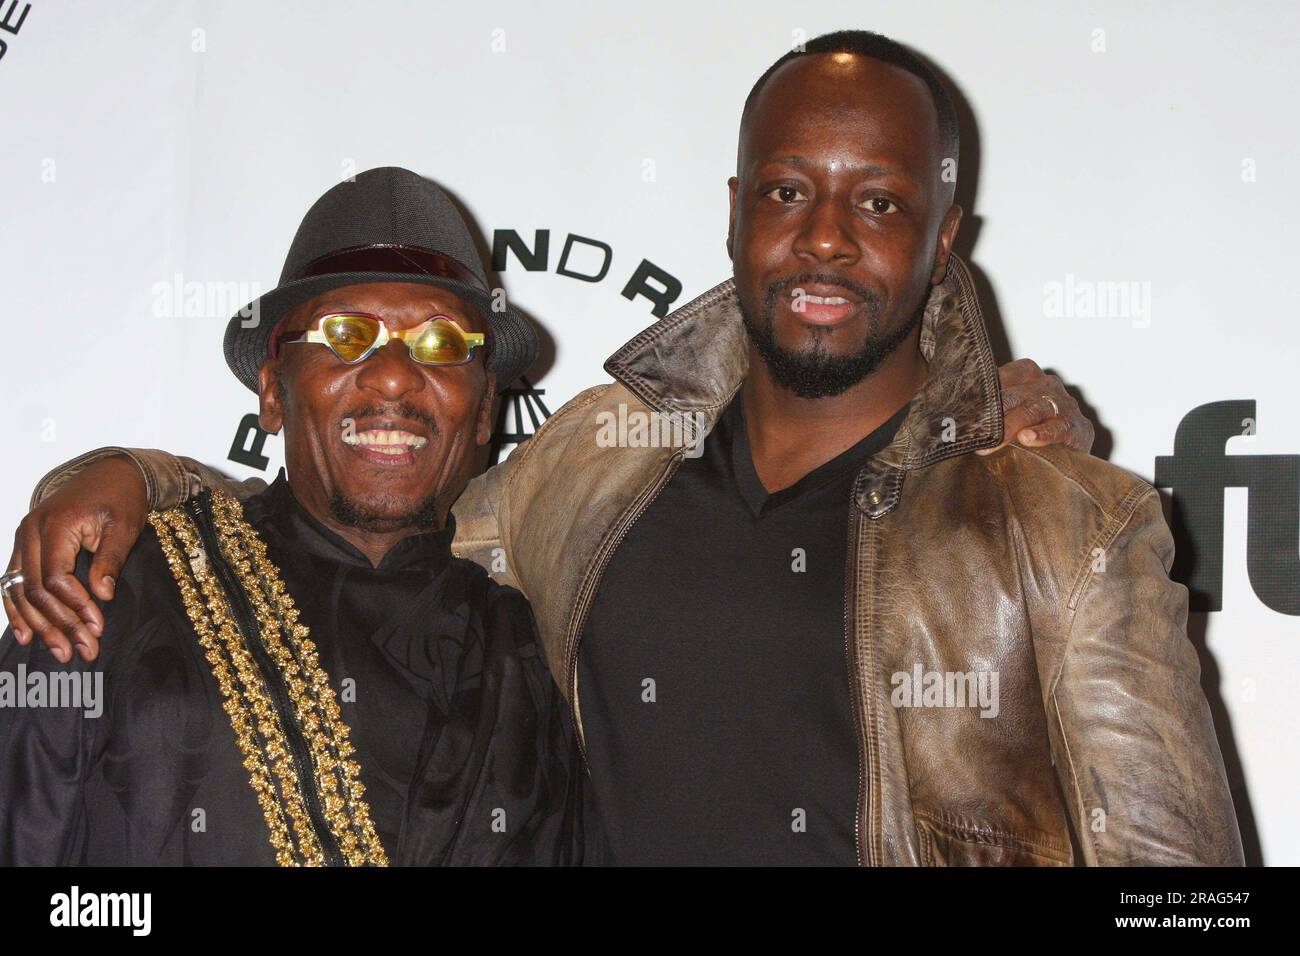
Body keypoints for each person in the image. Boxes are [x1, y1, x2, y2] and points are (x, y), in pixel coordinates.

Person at [7, 30, 1238, 865]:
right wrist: (123, 476)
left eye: (877, 202)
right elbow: (359, 516)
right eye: (785, 190)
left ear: (943, 234)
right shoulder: (596, 464)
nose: (821, 239)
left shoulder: (1067, 526)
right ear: (734, 209)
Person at [0, 168, 576, 865]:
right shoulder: (115, 588)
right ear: (273, 393)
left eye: (442, 344)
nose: (393, 374)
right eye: (345, 333)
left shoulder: (522, 653)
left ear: (484, 409)